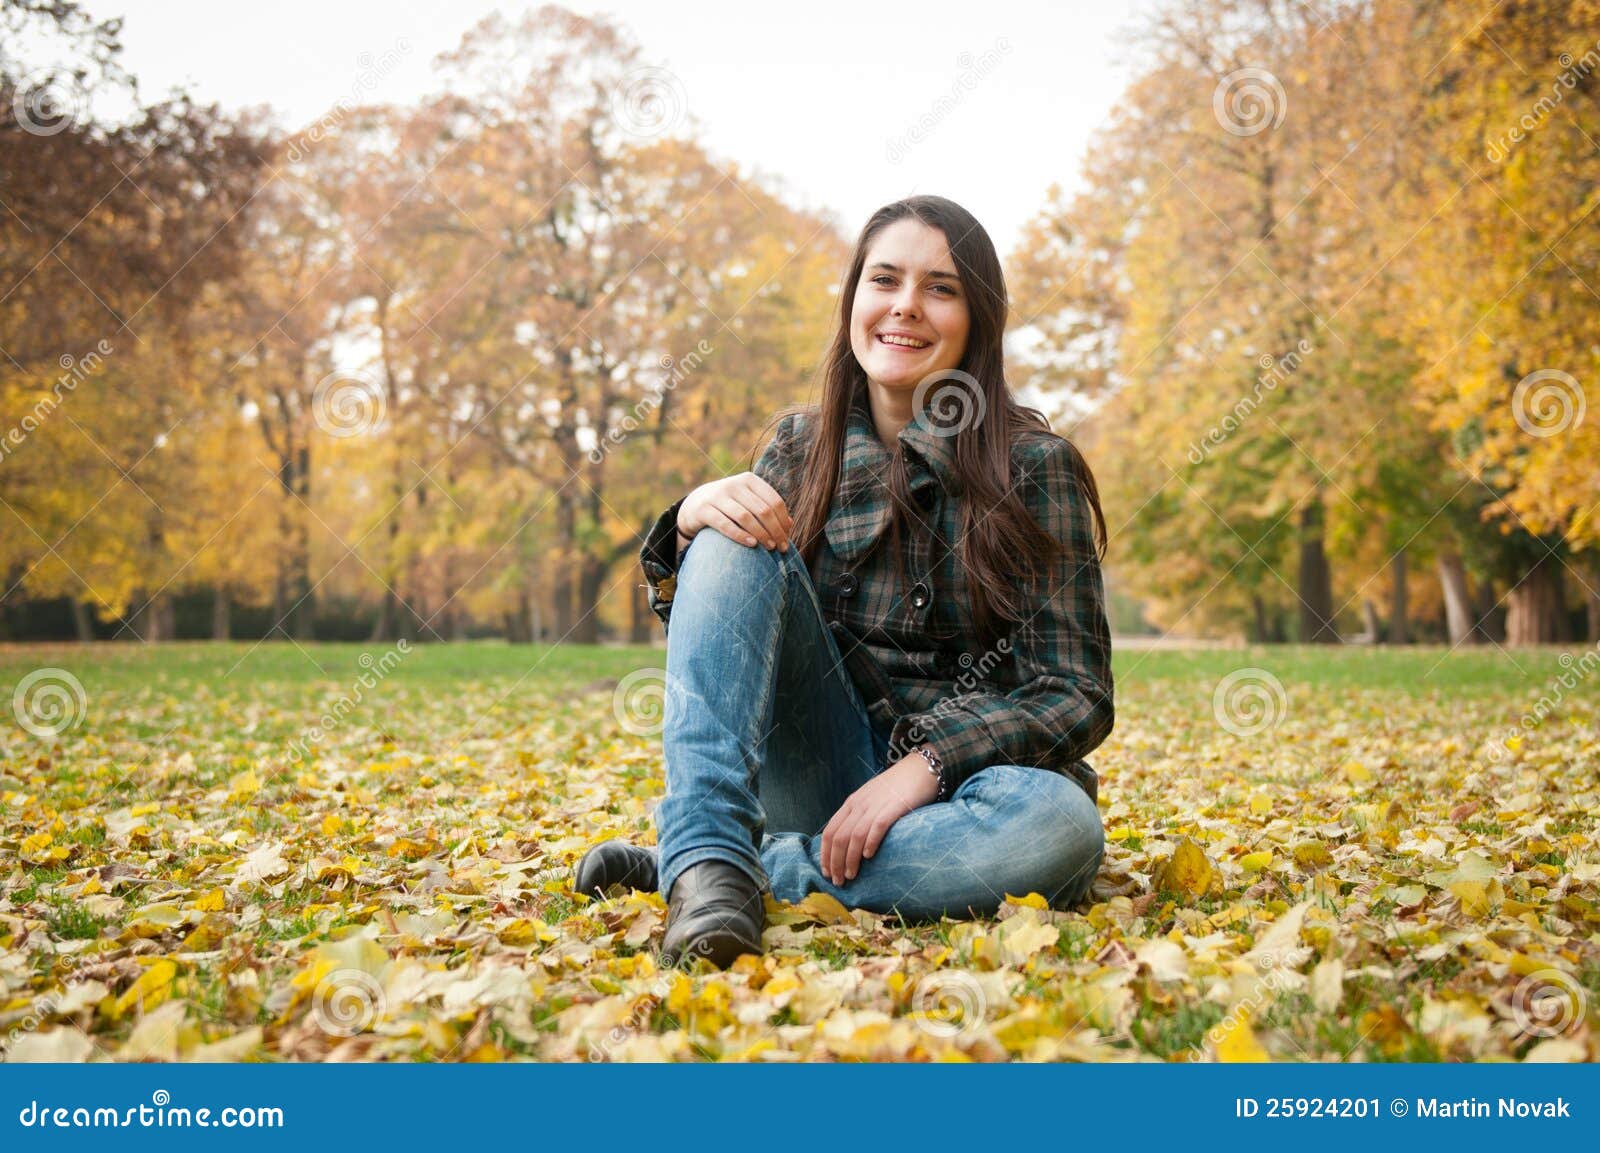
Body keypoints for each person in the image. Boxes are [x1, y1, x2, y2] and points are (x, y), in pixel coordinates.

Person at [575, 194, 1114, 969]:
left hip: (962, 800)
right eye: (884, 280)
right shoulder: (799, 448)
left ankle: (711, 868)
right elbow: (732, 644)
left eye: (941, 287)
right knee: (733, 527)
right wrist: (690, 520)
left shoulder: (1034, 467)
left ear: (978, 318)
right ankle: (710, 853)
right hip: (814, 772)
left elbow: (1076, 691)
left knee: (1061, 828)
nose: (905, 307)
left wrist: (926, 767)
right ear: (854, 300)